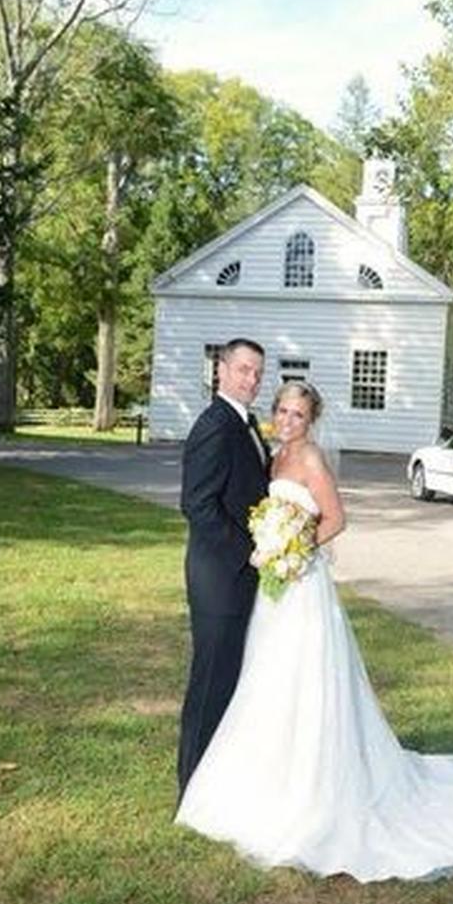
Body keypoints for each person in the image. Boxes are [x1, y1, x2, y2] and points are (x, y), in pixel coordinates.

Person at [176, 380, 453, 882]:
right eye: (282, 411)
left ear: (311, 419)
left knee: (307, 679)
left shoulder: (311, 459)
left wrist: (294, 550)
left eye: (298, 414)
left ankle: (317, 788)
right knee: (267, 676)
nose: (288, 420)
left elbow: (336, 519)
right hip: (274, 590)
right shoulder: (273, 458)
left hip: (302, 583)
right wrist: (274, 548)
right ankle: (265, 776)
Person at [177, 338, 269, 798]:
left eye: (257, 372)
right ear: (221, 370)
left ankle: (218, 777)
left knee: (231, 678)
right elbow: (196, 504)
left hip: (241, 577)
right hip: (219, 577)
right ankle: (191, 787)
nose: (251, 380)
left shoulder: (245, 424)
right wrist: (246, 552)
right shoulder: (215, 424)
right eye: (243, 370)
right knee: (210, 681)